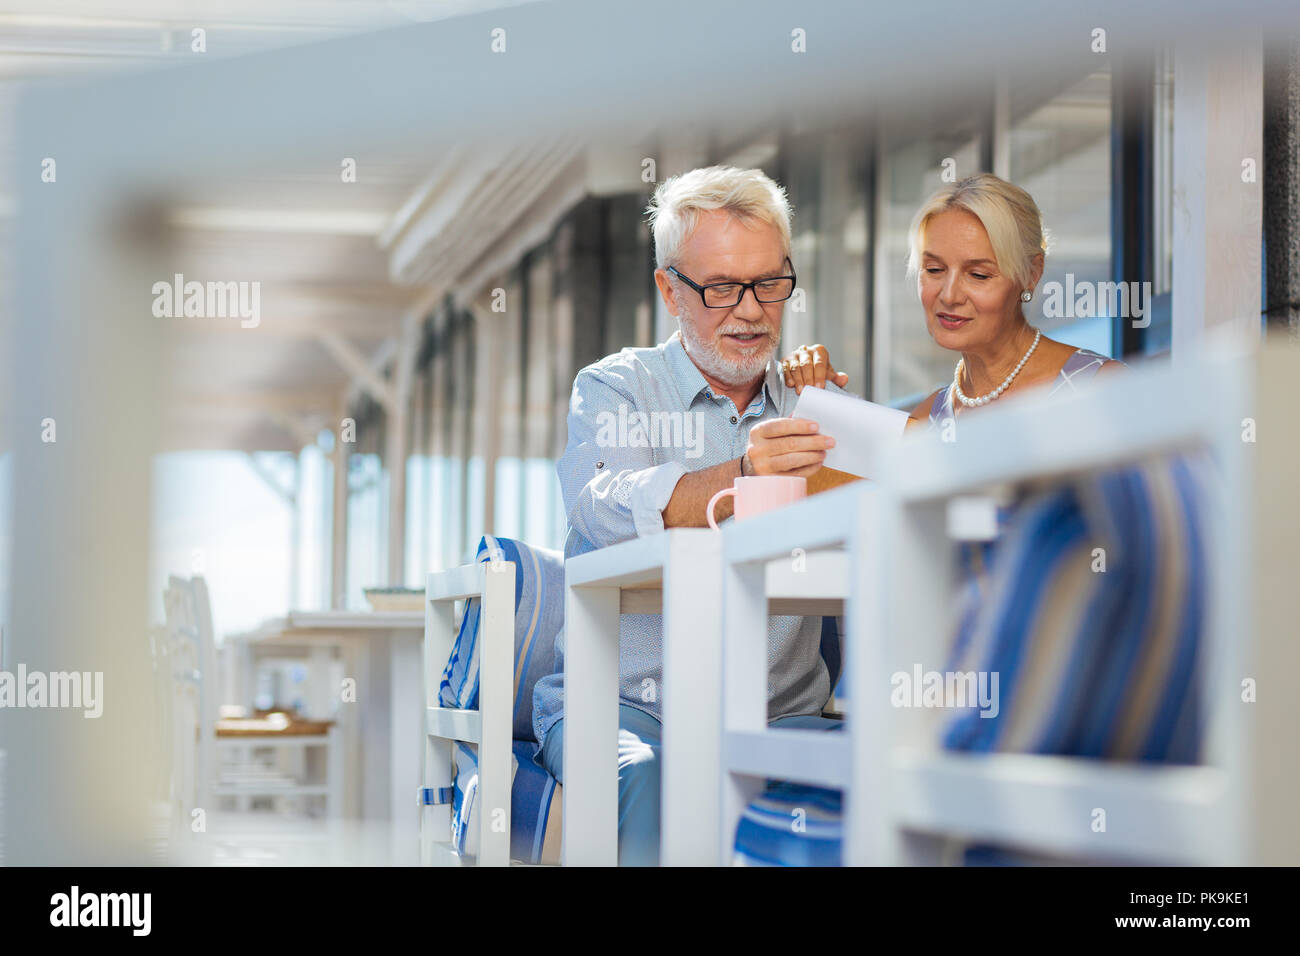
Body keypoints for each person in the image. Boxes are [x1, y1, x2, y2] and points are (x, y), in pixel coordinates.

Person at [530, 165, 845, 866]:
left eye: (769, 283)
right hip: (627, 708)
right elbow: (602, 503)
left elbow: (863, 544)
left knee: (877, 773)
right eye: (721, 288)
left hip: (781, 715)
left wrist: (842, 436)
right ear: (669, 289)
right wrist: (741, 477)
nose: (752, 310)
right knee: (649, 773)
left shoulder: (810, 403)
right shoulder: (615, 386)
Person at [775, 173, 1123, 421]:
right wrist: (818, 396)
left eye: (978, 275)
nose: (950, 295)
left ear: (1031, 274)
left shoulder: (1103, 388)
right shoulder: (925, 421)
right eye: (934, 270)